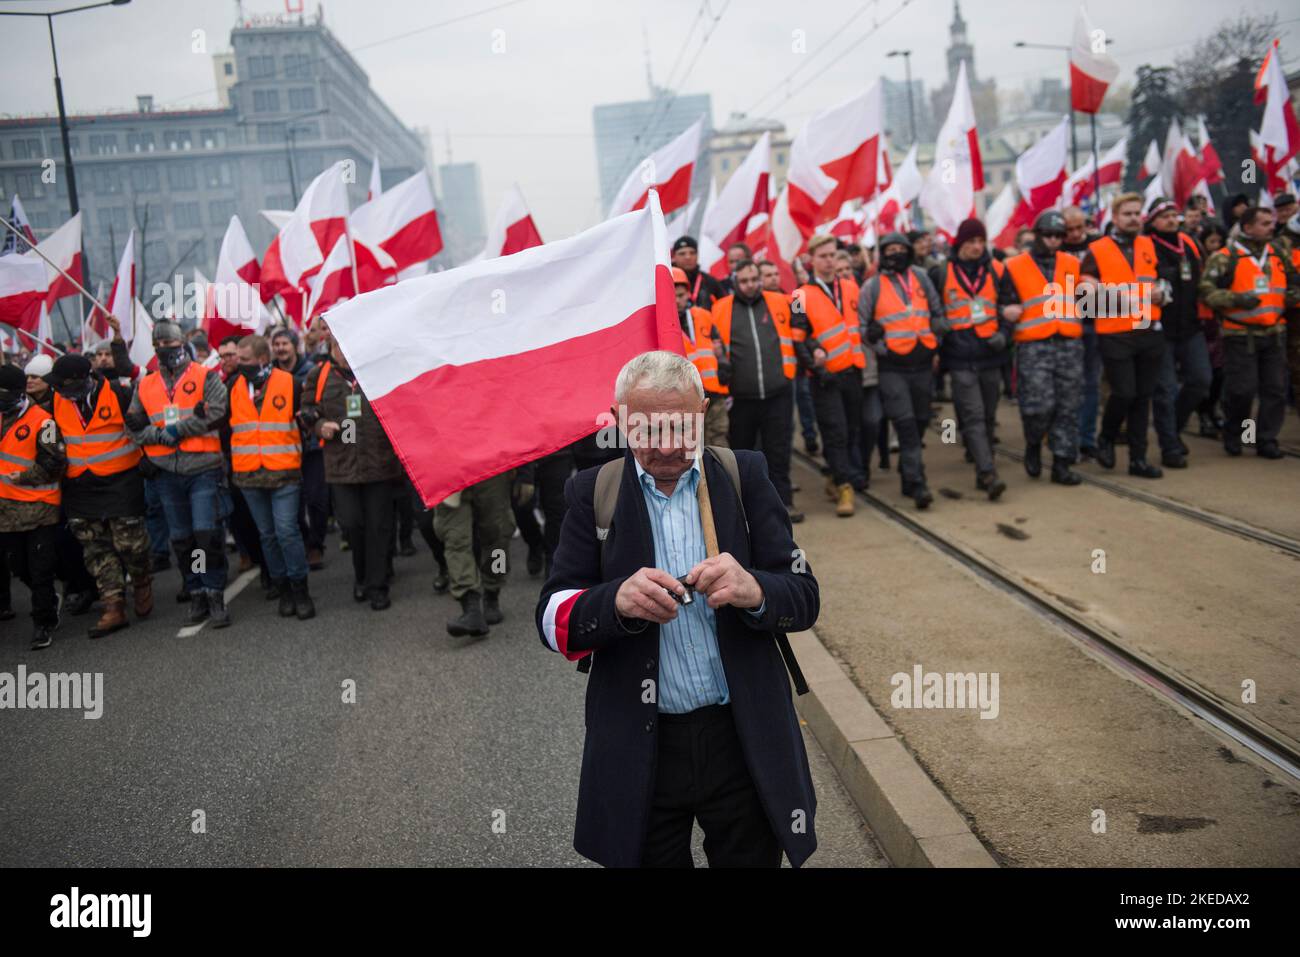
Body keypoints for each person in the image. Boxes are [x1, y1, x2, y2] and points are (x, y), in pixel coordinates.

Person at [536, 350, 819, 868]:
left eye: (681, 427)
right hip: (641, 747)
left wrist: (755, 590)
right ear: (620, 419)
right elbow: (552, 619)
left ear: (704, 411)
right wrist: (614, 602)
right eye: (647, 430)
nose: (666, 447)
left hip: (741, 739)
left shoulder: (743, 475)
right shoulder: (591, 492)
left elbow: (803, 597)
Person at [125, 319, 232, 625]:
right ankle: (196, 591)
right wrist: (160, 436)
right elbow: (133, 426)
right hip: (165, 472)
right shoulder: (144, 384)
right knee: (182, 539)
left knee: (206, 534)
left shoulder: (205, 376)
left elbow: (217, 413)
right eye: (158, 345)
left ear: (182, 343)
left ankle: (215, 594)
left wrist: (177, 429)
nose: (163, 349)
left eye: (168, 344)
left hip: (202, 468)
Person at [47, 353, 153, 638]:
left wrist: (148, 454)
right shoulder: (55, 400)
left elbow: (143, 428)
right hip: (80, 486)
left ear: (85, 380)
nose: (58, 390)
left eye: (64, 385)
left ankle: (141, 580)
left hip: (121, 480)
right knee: (96, 549)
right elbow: (51, 437)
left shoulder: (119, 394)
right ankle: (113, 605)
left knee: (131, 545)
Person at [301, 335, 403, 610]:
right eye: (339, 347)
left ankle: (377, 586)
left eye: (349, 346)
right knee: (352, 525)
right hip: (341, 467)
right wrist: (319, 424)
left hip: (378, 464)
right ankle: (362, 575)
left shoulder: (376, 371)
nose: (345, 352)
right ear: (331, 348)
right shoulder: (318, 376)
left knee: (378, 528)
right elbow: (307, 410)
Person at [1198, 205, 1299, 458]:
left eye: (1271, 222)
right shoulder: (1225, 257)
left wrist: (1290, 297)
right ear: (1247, 227)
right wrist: (1235, 299)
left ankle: (1266, 439)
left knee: (1274, 389)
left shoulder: (1277, 253)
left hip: (1275, 332)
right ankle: (1237, 432)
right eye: (1264, 223)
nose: (1271, 227)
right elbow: (1206, 292)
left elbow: (1293, 282)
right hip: (1240, 335)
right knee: (1242, 390)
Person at [1080, 193, 1169, 478]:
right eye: (1127, 213)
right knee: (1124, 392)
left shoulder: (1149, 246)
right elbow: (1087, 298)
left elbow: (1164, 283)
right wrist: (1134, 297)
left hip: (1148, 330)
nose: (1133, 218)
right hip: (1114, 333)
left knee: (1143, 397)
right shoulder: (1097, 250)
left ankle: (1138, 459)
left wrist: (1162, 293)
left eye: (1137, 213)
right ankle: (1106, 436)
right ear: (1115, 217)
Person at [228, 334, 315, 620]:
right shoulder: (233, 387)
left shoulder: (290, 383)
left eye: (244, 360)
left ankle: (300, 589)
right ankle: (283, 589)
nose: (239, 365)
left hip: (284, 472)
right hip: (249, 475)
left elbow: (304, 420)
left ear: (262, 359)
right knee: (267, 536)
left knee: (287, 531)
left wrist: (312, 418)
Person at [861, 231, 946, 509]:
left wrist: (936, 341)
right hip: (892, 368)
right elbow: (862, 328)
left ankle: (907, 472)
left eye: (900, 248)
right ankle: (918, 483)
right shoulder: (871, 287)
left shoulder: (921, 277)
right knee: (906, 424)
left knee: (921, 420)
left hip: (922, 364)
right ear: (882, 253)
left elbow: (936, 312)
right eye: (890, 248)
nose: (895, 253)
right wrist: (879, 344)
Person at [712, 259, 802, 522]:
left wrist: (800, 280)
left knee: (779, 451)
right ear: (735, 282)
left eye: (754, 279)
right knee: (743, 455)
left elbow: (802, 308)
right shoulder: (720, 309)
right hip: (740, 399)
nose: (751, 285)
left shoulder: (780, 300)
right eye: (745, 281)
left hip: (778, 393)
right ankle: (747, 510)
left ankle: (784, 503)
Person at [1003, 211, 1086, 485]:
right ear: (1037, 235)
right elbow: (1003, 302)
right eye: (1048, 235)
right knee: (1039, 407)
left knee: (1068, 406)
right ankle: (1034, 442)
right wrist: (1006, 311)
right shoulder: (1014, 266)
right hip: (1033, 347)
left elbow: (1088, 302)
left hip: (1068, 344)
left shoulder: (1073, 264)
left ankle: (1062, 463)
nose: (1053, 241)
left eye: (1059, 236)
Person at [931, 218, 1011, 499]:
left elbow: (1008, 306)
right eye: (971, 242)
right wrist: (940, 330)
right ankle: (988, 472)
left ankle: (981, 463)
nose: (977, 247)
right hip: (959, 357)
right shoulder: (941, 272)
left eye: (980, 241)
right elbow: (932, 310)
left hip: (991, 354)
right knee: (974, 415)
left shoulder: (997, 270)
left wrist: (1004, 333)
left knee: (988, 416)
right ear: (960, 244)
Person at [792, 234, 865, 516]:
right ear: (812, 260)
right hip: (824, 378)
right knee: (834, 431)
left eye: (833, 255)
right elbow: (798, 338)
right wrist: (817, 365)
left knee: (852, 429)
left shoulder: (850, 287)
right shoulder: (800, 295)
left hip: (853, 370)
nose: (829, 260)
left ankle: (836, 476)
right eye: (823, 256)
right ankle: (845, 487)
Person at [0, 363, 64, 649]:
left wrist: (24, 477)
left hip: (39, 508)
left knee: (39, 570)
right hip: (6, 513)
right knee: (19, 567)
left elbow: (55, 463)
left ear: (16, 392)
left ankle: (43, 622)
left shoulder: (44, 421)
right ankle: (49, 602)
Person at [1146, 199, 1210, 469]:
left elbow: (1203, 277)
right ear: (1153, 221)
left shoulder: (1189, 243)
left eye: (1175, 215)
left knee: (1201, 380)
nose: (1172, 220)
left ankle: (1175, 426)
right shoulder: (1146, 246)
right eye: (1165, 216)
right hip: (1160, 329)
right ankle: (1170, 446)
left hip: (1191, 326)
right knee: (1165, 390)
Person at [673, 267, 730, 447]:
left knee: (719, 443)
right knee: (690, 448)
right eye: (673, 295)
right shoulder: (661, 325)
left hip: (714, 395)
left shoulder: (703, 316)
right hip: (684, 401)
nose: (678, 300)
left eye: (682, 295)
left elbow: (719, 346)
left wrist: (723, 363)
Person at [670, 236, 724, 309]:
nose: (688, 257)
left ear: (697, 255)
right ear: (674, 256)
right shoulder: (667, 280)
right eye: (682, 254)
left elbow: (724, 307)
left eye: (692, 253)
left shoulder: (710, 282)